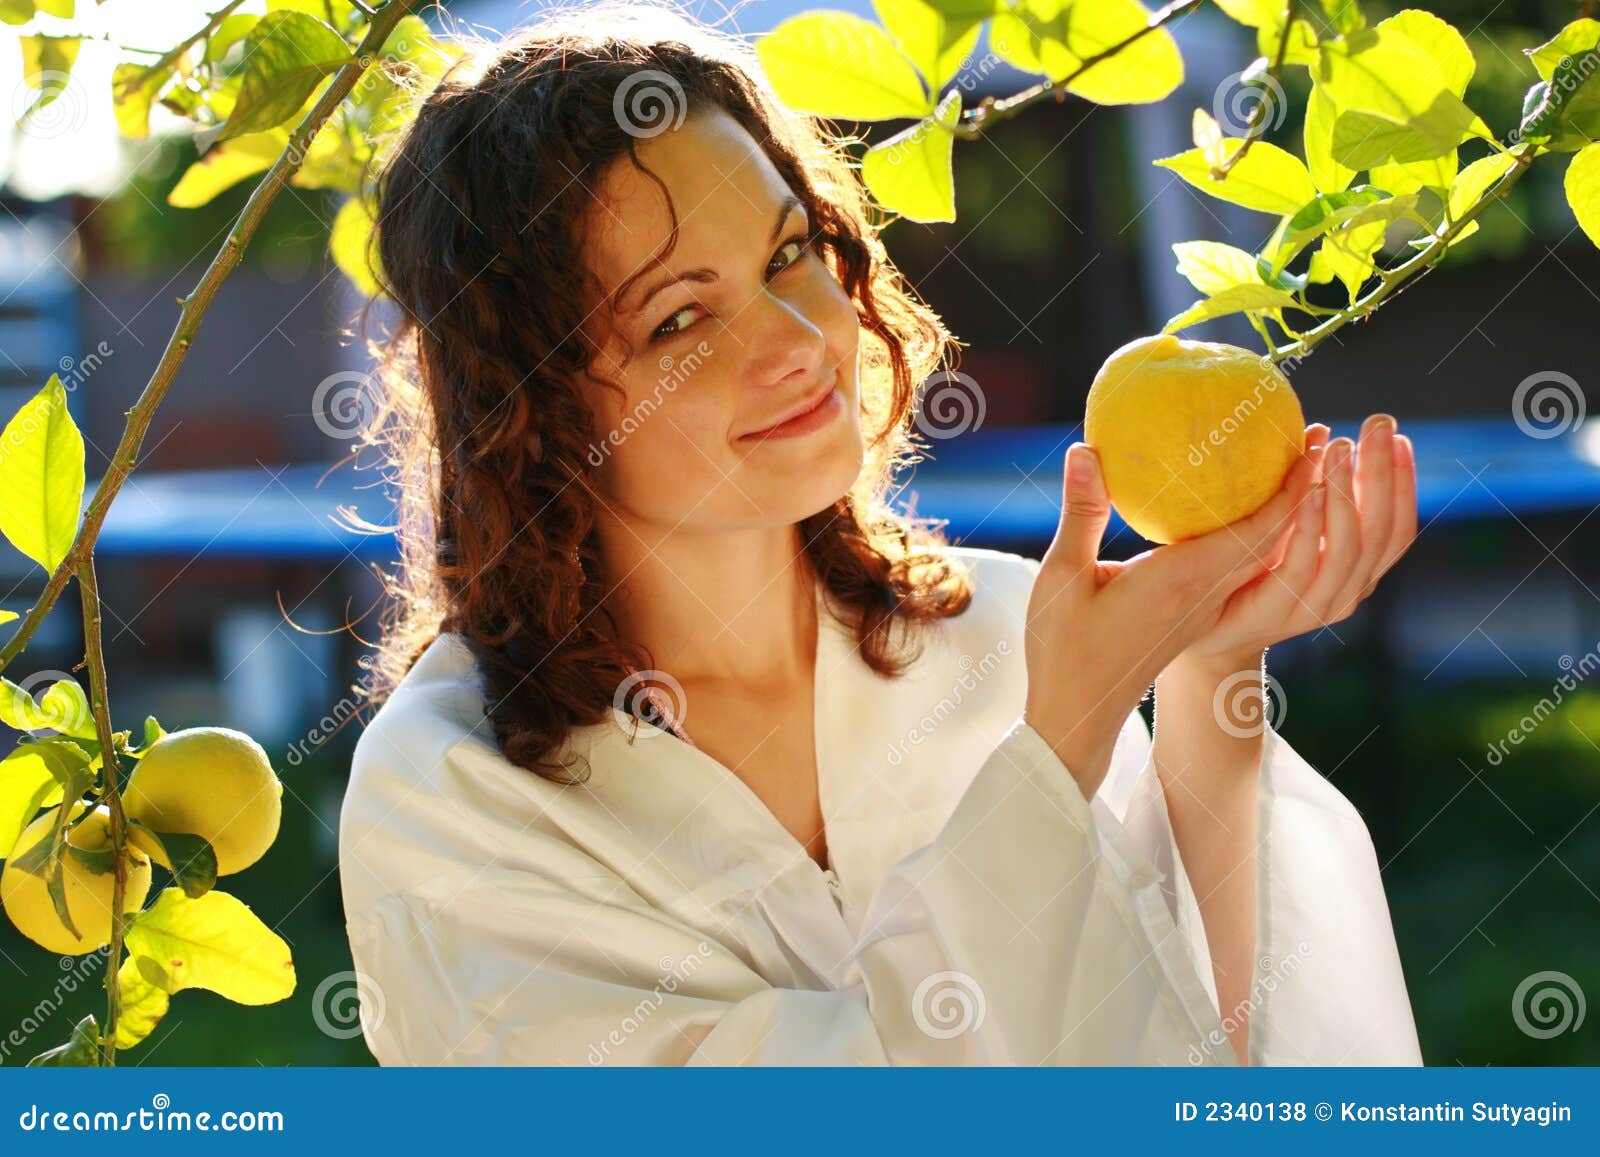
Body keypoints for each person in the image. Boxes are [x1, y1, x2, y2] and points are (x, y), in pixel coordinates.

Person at [337, 0, 1422, 1066]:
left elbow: (1211, 1046)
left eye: (789, 252)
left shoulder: (1000, 635)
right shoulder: (449, 790)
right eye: (679, 316)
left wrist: (1209, 665)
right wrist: (1054, 752)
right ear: (530, 401)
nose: (801, 336)